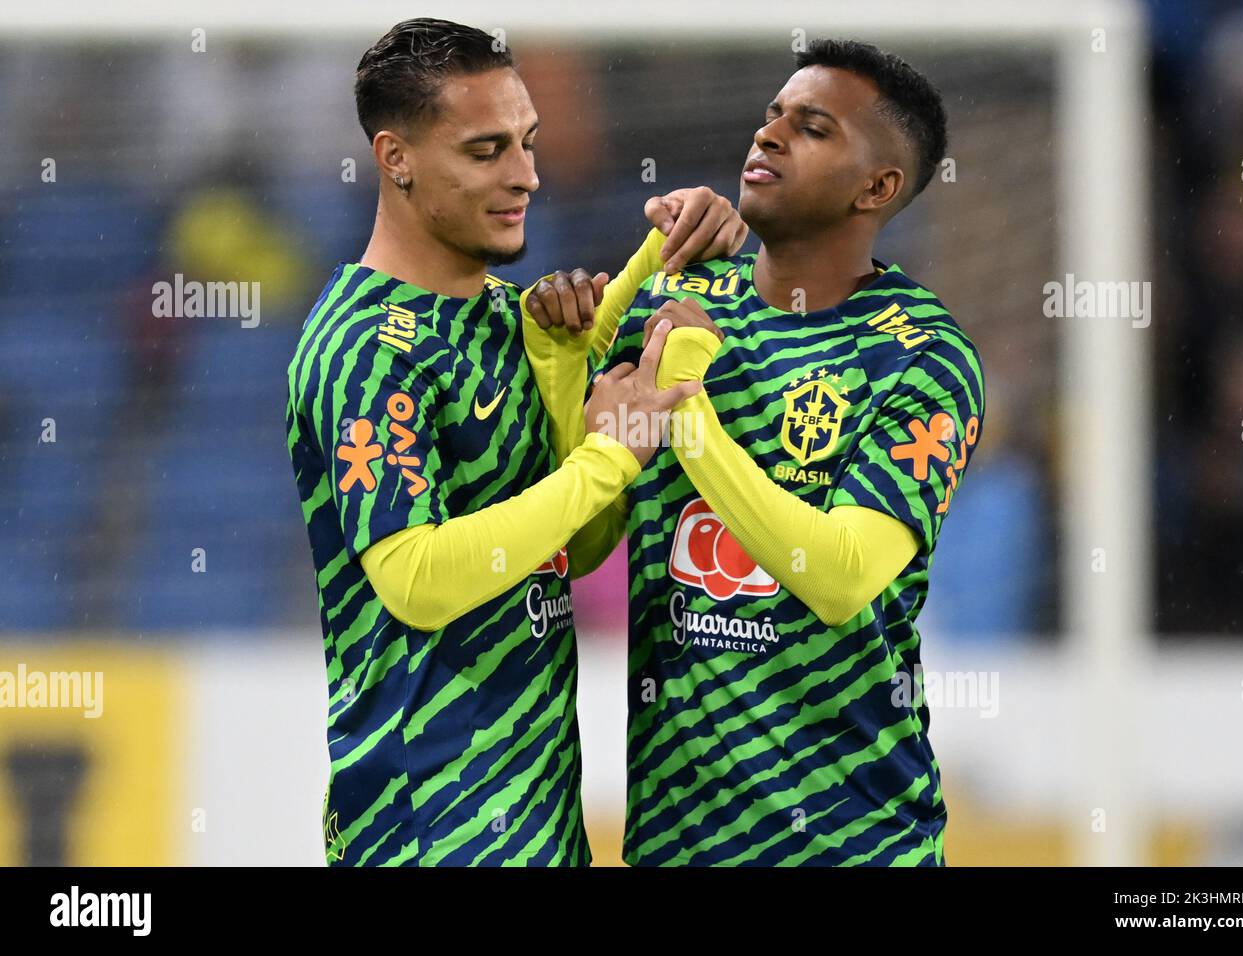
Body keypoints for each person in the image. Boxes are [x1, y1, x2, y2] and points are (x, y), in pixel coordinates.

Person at [285, 17, 745, 867]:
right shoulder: (362, 347)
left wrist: (664, 253)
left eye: (527, 144)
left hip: (539, 823)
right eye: (486, 150)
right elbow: (416, 580)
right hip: (422, 828)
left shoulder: (508, 317)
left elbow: (583, 542)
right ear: (397, 158)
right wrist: (609, 455)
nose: (526, 175)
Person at [524, 39, 984, 865]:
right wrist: (565, 367)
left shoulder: (921, 355)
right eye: (771, 116)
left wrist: (689, 412)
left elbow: (842, 575)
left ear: (877, 187)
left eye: (811, 128)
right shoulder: (679, 301)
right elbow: (588, 541)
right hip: (676, 839)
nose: (768, 136)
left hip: (853, 839)